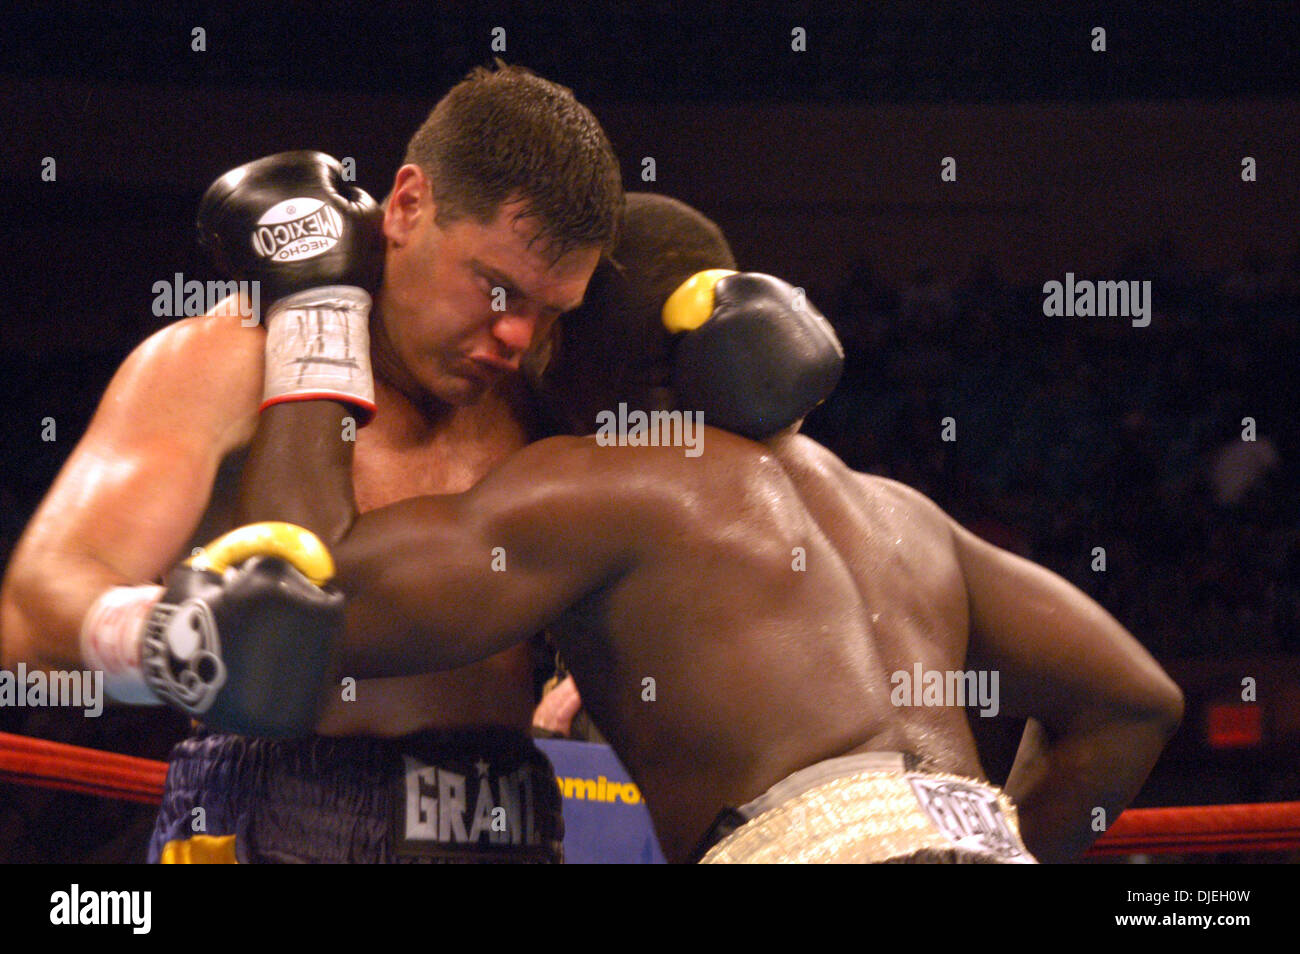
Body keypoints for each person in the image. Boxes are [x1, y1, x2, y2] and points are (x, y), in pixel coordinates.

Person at [177, 192, 1185, 863]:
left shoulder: (598, 480)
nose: (514, 350)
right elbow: (1133, 704)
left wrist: (313, 297)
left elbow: (301, 595)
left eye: (543, 319)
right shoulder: (899, 514)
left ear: (577, 341)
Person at [0, 62, 624, 863]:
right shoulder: (230, 357)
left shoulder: (542, 398)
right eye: (496, 288)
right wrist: (172, 638)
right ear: (407, 206)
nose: (518, 335)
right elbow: (33, 606)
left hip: (504, 817)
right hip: (277, 808)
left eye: (548, 310)